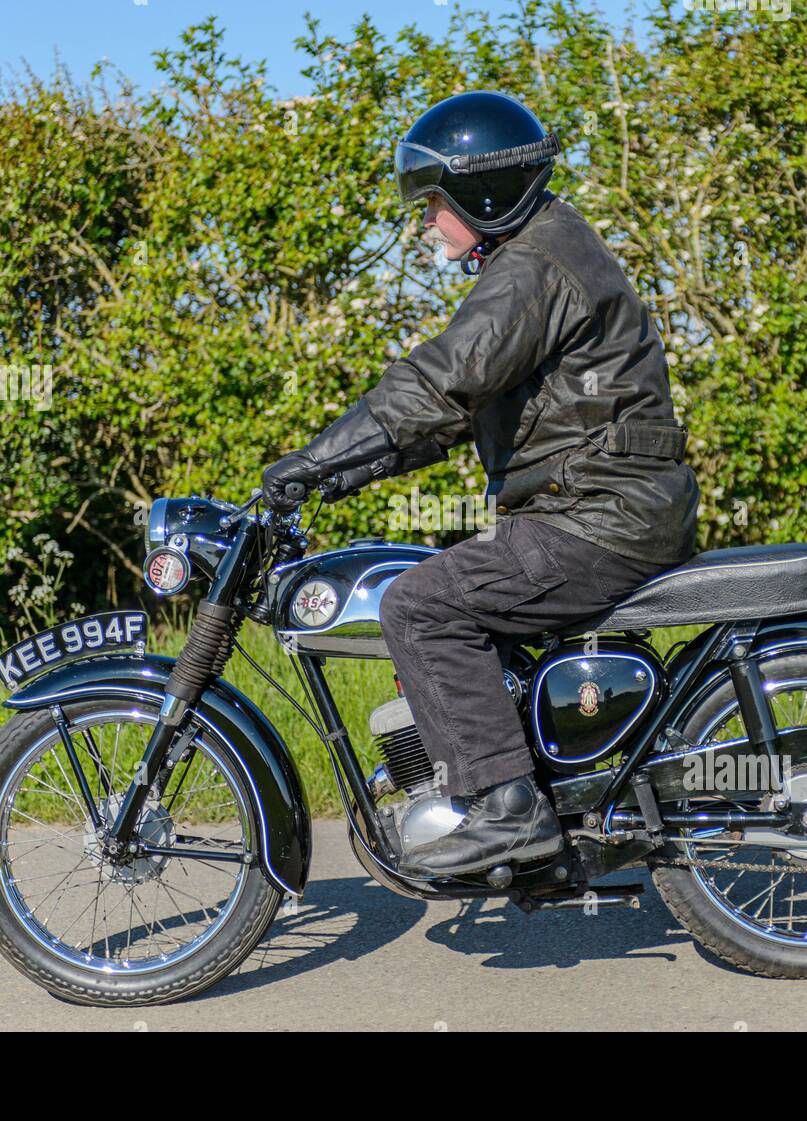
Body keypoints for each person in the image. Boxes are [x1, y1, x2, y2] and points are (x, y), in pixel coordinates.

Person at [262, 90, 699, 877]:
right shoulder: (544, 248)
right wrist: (343, 471)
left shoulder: (534, 265)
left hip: (599, 518)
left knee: (418, 604)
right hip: (607, 506)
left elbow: (444, 379)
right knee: (448, 594)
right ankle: (532, 788)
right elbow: (455, 413)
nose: (429, 222)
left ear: (482, 195)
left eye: (435, 204)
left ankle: (509, 807)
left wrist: (312, 458)